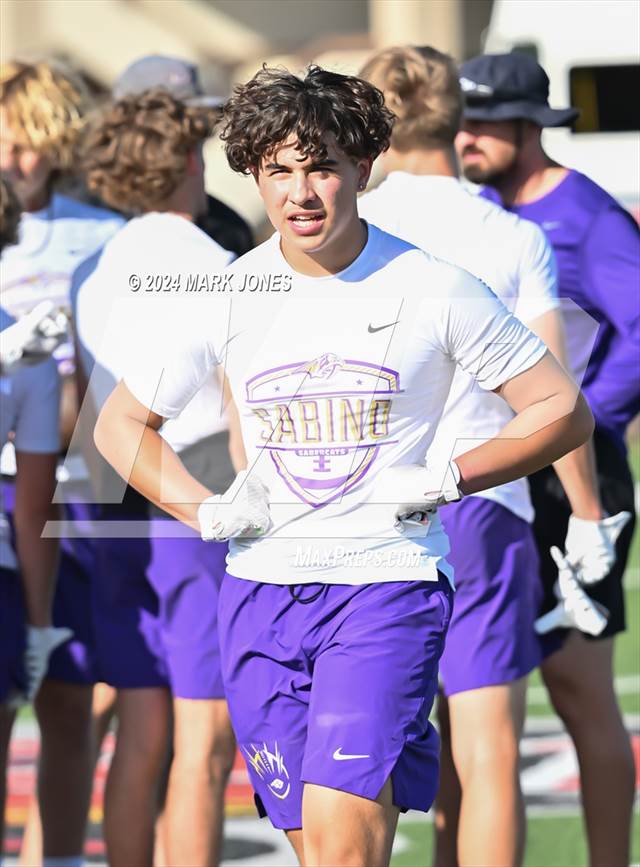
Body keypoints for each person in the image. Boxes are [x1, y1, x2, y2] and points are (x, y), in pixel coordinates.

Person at [93, 65, 593, 867]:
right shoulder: (227, 291)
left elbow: (563, 409)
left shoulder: (434, 287)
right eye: (279, 170)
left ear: (364, 167)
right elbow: (120, 424)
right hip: (258, 597)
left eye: (321, 164)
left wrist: (453, 475)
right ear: (254, 176)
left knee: (344, 841)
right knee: (315, 845)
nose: (302, 191)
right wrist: (203, 508)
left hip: (385, 589)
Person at [357, 45, 627, 867]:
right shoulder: (507, 233)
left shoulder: (342, 223)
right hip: (482, 501)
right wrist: (587, 515)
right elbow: (553, 399)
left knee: (365, 758)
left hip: (355, 505)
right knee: (486, 750)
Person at [456, 51, 639, 867]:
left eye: (483, 120)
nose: (465, 137)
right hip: (495, 482)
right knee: (472, 696)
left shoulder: (589, 215)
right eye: (458, 120)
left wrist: (577, 423)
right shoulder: (475, 214)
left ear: (530, 124)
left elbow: (638, 336)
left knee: (578, 691)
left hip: (574, 481)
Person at [74, 87, 240, 867]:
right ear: (181, 161)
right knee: (203, 742)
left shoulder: (96, 265)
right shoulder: (212, 262)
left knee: (141, 738)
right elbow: (241, 411)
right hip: (193, 496)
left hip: (109, 506)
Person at [0, 59, 124, 867]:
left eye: (39, 145)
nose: (25, 163)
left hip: (79, 489)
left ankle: (62, 857)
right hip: (10, 488)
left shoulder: (103, 231)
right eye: (12, 145)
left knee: (73, 699)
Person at [0, 177, 63, 857]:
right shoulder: (24, 351)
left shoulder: (29, 353)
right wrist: (38, 622)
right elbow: (34, 505)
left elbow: (34, 502)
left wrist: (38, 624)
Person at [112, 54, 255, 257]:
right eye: (164, 123)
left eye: (197, 124)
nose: (183, 136)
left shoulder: (228, 229)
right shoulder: (91, 220)